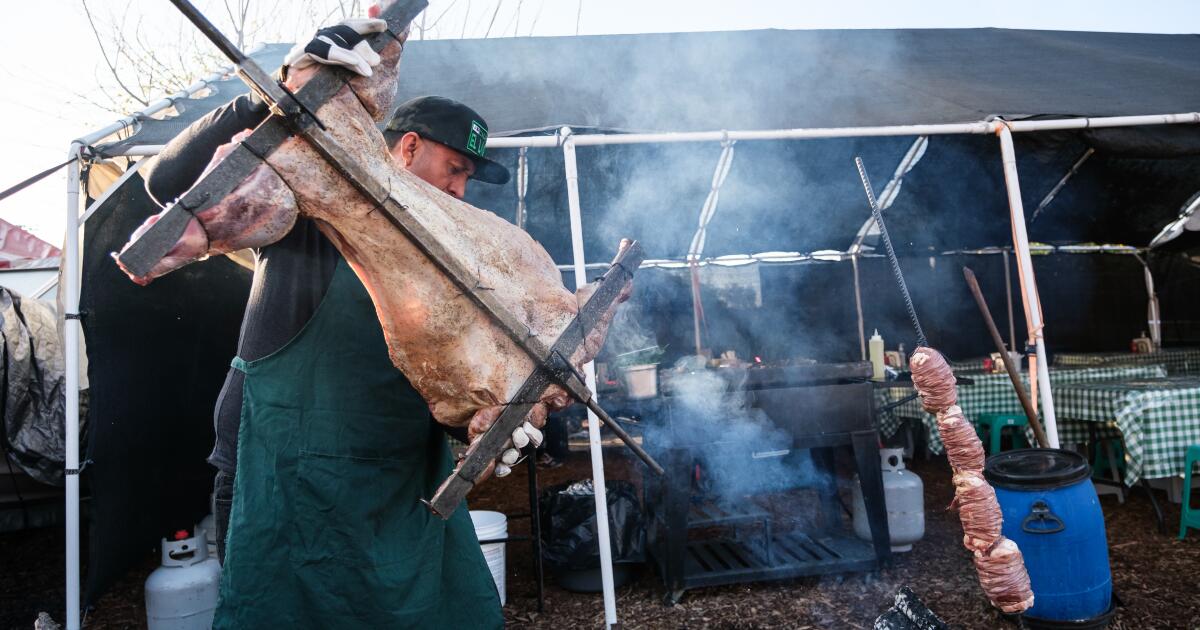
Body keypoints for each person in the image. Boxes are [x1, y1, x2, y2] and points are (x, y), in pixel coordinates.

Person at [143, 17, 520, 628]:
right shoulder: (314, 210)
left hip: (393, 488)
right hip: (279, 475)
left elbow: (449, 390)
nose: (461, 191)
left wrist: (489, 417)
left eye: (469, 179)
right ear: (409, 145)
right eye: (455, 168)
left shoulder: (452, 265)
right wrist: (264, 100)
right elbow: (166, 184)